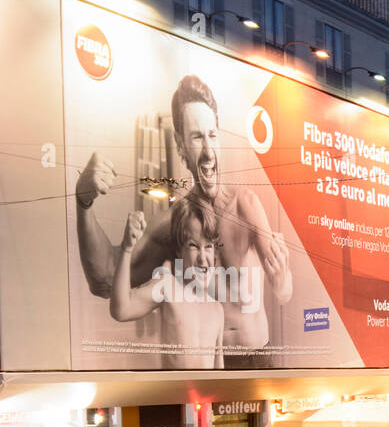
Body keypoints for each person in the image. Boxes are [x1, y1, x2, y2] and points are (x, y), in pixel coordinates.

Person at [76, 74, 293, 369]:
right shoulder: (174, 222)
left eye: (212, 135)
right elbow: (104, 280)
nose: (207, 152)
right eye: (196, 137)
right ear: (180, 146)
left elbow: (283, 291)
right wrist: (84, 203)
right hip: (204, 366)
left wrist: (281, 283)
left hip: (254, 359)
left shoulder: (245, 206)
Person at [110, 199, 225, 369]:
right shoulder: (168, 287)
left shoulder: (217, 309)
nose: (202, 257)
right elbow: (121, 310)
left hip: (206, 394)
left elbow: (218, 368)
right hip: (175, 394)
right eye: (193, 245)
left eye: (208, 246)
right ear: (179, 250)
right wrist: (127, 248)